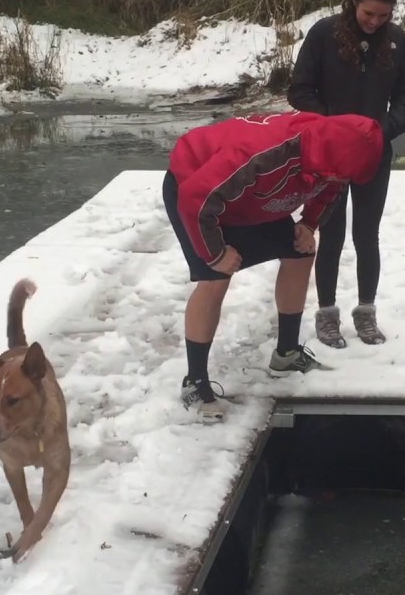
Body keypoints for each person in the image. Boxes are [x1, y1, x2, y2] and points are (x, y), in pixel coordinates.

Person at [164, 110, 385, 419]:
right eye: (339, 174)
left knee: (302, 251)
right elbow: (196, 199)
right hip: (199, 195)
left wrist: (308, 224)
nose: (340, 180)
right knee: (215, 276)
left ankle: (286, 353)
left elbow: (331, 187)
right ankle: (195, 382)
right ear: (326, 158)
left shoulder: (331, 162)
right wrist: (215, 253)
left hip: (253, 199)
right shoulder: (263, 153)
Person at [287, 0, 405, 349]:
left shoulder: (395, 41)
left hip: (374, 152)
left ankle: (366, 312)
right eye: (368, 14)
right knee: (330, 233)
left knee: (367, 234)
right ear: (353, 2)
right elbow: (300, 91)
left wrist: (386, 128)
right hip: (329, 153)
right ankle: (327, 315)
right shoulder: (324, 34)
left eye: (383, 15)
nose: (375, 22)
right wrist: (334, 127)